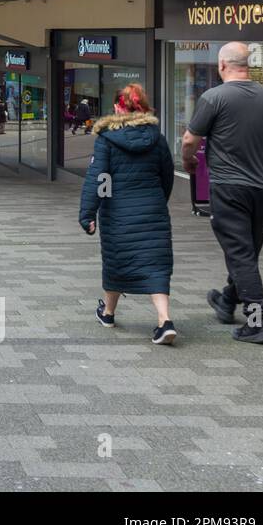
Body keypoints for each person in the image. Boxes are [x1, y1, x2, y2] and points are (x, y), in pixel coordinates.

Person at [181, 42, 263, 344]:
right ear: (246, 66)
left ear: (222, 65)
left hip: (228, 189)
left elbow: (189, 140)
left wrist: (188, 161)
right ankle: (226, 301)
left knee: (240, 253)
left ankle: (257, 321)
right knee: (247, 251)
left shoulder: (213, 98)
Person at [79, 84, 178, 345]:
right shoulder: (156, 137)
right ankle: (164, 320)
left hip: (118, 211)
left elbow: (99, 178)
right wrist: (158, 202)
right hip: (153, 210)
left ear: (116, 107)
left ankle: (108, 313)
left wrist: (88, 214)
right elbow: (167, 175)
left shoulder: (106, 139)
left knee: (117, 262)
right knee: (156, 266)